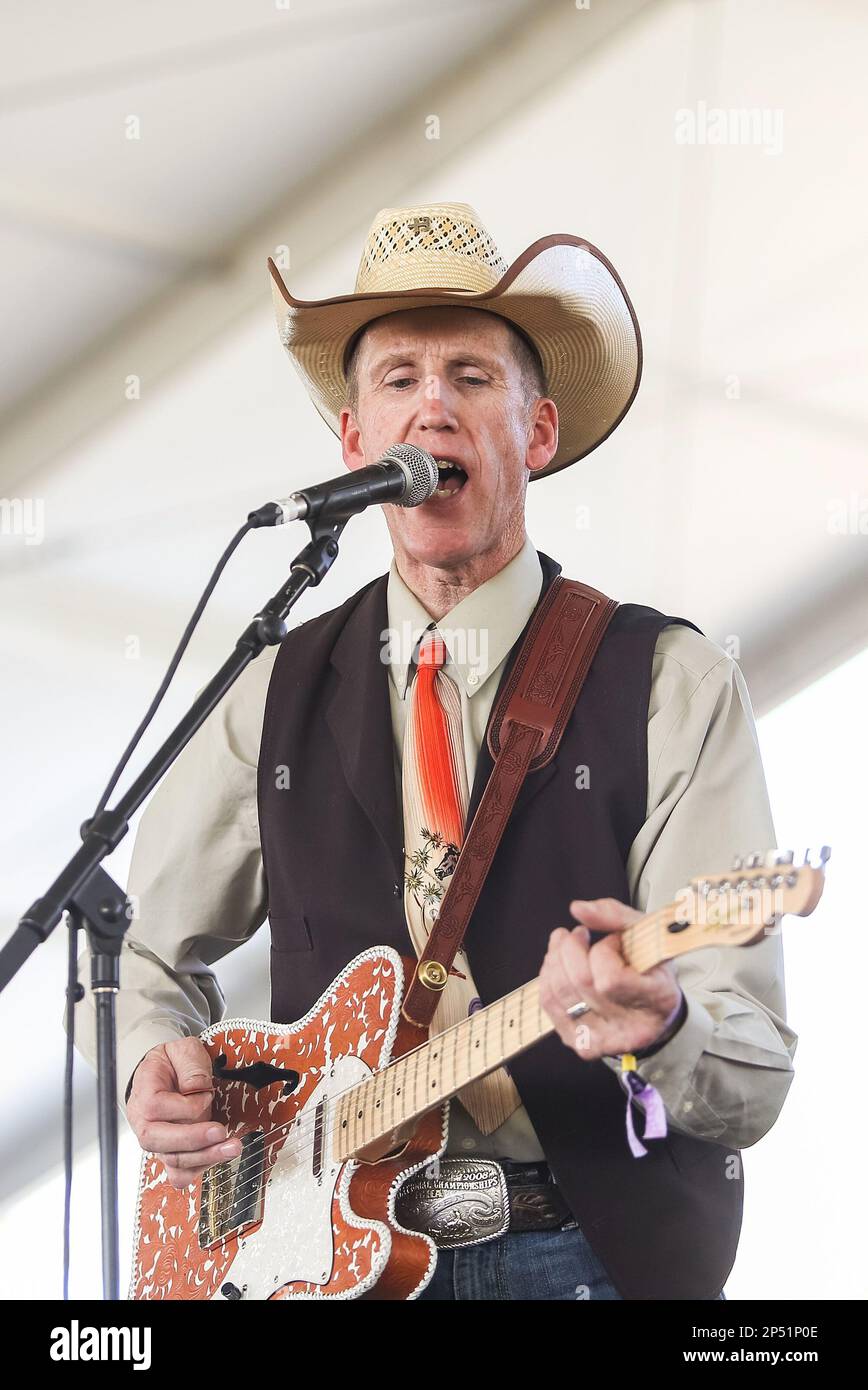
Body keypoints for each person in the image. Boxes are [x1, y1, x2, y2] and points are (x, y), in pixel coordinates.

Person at [73, 202, 796, 1300]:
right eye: (399, 379)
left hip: (584, 1257)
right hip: (320, 1264)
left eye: (470, 375)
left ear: (536, 433)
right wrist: (146, 1064)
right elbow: (143, 956)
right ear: (356, 444)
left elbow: (753, 1076)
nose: (432, 406)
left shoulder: (670, 682)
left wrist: (667, 1025)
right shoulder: (270, 687)